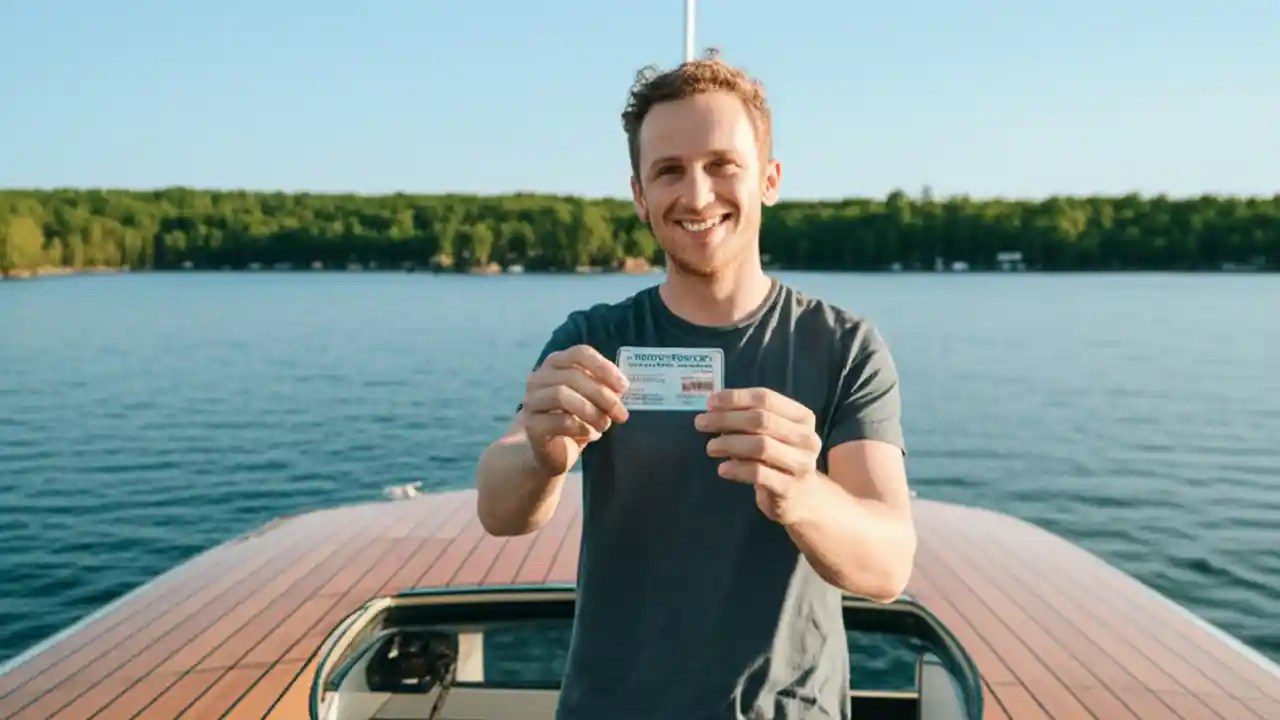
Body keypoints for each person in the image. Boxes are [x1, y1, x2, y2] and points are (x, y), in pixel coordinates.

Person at [475, 54, 916, 720]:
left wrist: (802, 492)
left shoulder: (843, 346)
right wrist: (541, 454)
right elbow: (499, 509)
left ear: (769, 179)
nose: (698, 195)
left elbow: (887, 567)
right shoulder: (593, 337)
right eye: (669, 171)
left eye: (722, 165)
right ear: (639, 196)